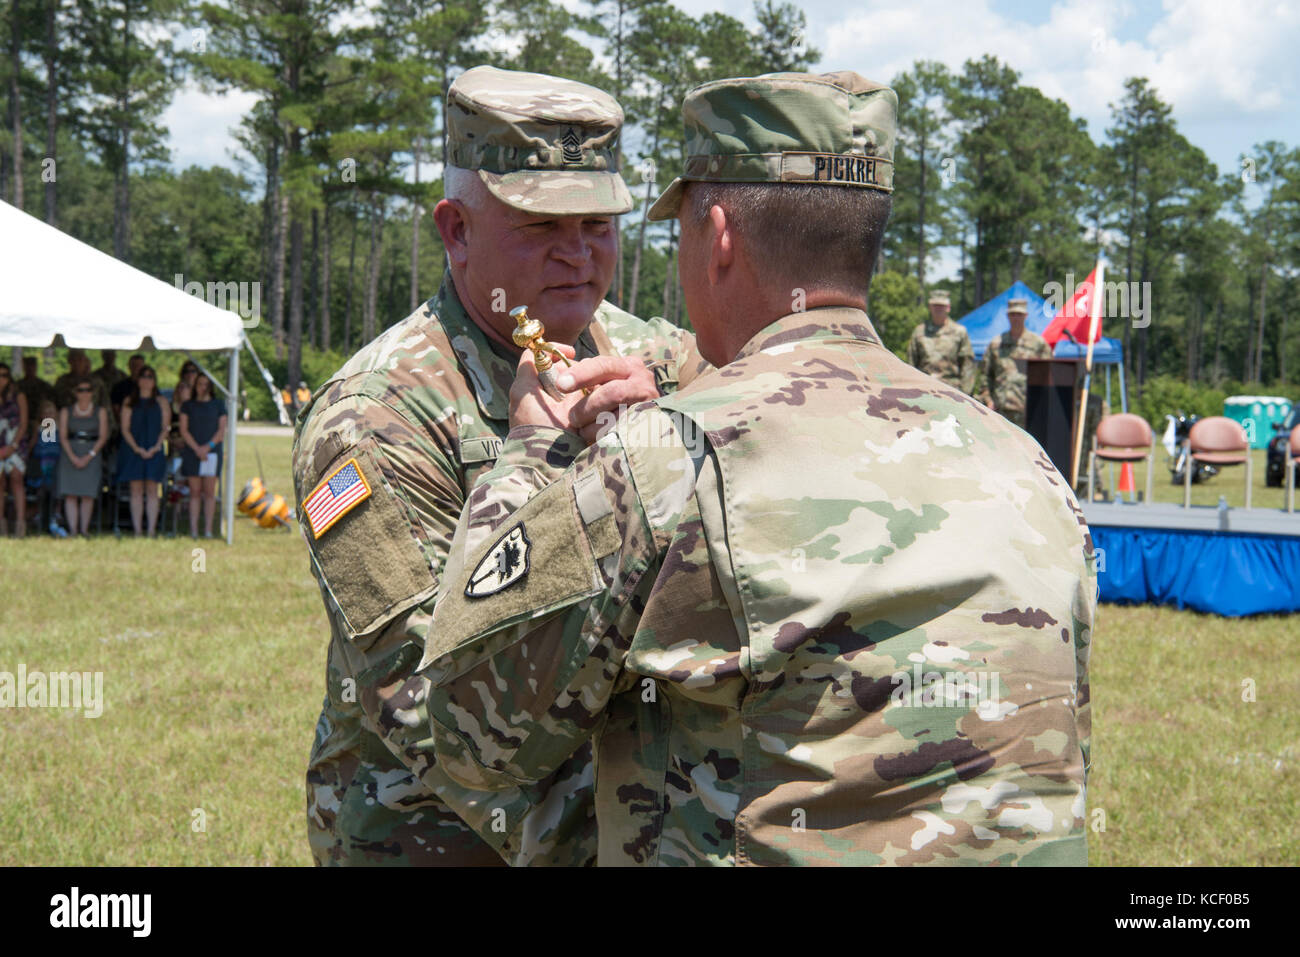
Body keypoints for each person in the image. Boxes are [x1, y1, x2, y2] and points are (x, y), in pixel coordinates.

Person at [417, 70, 1096, 866]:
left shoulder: (671, 455)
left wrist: (532, 453)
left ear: (719, 234)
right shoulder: (1031, 465)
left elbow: (472, 736)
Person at [291, 65, 709, 867]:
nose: (579, 256)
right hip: (432, 839)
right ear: (455, 228)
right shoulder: (368, 420)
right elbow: (429, 713)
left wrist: (673, 417)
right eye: (541, 227)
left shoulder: (647, 353)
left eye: (598, 226)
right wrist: (530, 456)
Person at [980, 297, 1053, 428]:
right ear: (1008, 316)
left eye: (1019, 314)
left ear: (1026, 316)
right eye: (1012, 314)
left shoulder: (1038, 344)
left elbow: (1048, 376)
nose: (1016, 318)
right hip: (1000, 409)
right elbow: (985, 375)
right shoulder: (996, 343)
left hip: (1028, 410)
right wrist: (988, 400)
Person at [117, 365, 171, 537]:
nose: (146, 379)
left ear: (154, 381)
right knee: (136, 490)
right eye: (143, 376)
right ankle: (138, 530)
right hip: (134, 449)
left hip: (154, 448)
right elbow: (124, 428)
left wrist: (156, 447)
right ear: (138, 380)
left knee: (153, 490)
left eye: (150, 376)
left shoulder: (161, 401)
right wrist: (136, 448)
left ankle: (151, 530)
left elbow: (166, 427)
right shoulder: (128, 401)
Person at [57, 376, 108, 536]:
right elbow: (62, 436)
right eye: (81, 390)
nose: (84, 393)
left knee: (88, 493)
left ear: (93, 393)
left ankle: (84, 529)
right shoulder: (66, 411)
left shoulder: (101, 412)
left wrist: (90, 455)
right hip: (70, 452)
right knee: (70, 493)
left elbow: (103, 436)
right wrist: (72, 456)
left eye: (88, 390)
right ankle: (73, 530)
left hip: (92, 453)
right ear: (75, 393)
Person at [179, 371, 226, 538]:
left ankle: (207, 529)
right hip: (193, 453)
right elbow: (183, 430)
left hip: (212, 454)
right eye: (200, 384)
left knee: (209, 492)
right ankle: (193, 529)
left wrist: (208, 447)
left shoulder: (219, 405)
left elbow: (221, 430)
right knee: (194, 492)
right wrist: (197, 449)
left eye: (206, 384)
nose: (203, 387)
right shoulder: (188, 406)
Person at [907, 289, 975, 394]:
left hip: (952, 391)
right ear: (930, 307)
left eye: (942, 305)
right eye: (935, 305)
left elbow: (967, 365)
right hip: (923, 389)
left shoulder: (959, 332)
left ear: (948, 308)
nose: (938, 308)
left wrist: (965, 394)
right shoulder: (919, 332)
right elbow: (911, 364)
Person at [0, 362, 30, 536]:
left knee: (16, 479)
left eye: (4, 375)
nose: (1, 379)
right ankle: (2, 525)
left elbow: (24, 423)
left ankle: (20, 524)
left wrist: (13, 446)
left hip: (16, 442)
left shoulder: (18, 396)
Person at [16, 355, 56, 443]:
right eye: (27, 365)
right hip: (20, 422)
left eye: (32, 365)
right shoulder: (17, 386)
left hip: (42, 422)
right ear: (24, 367)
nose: (30, 368)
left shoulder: (44, 386)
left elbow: (52, 405)